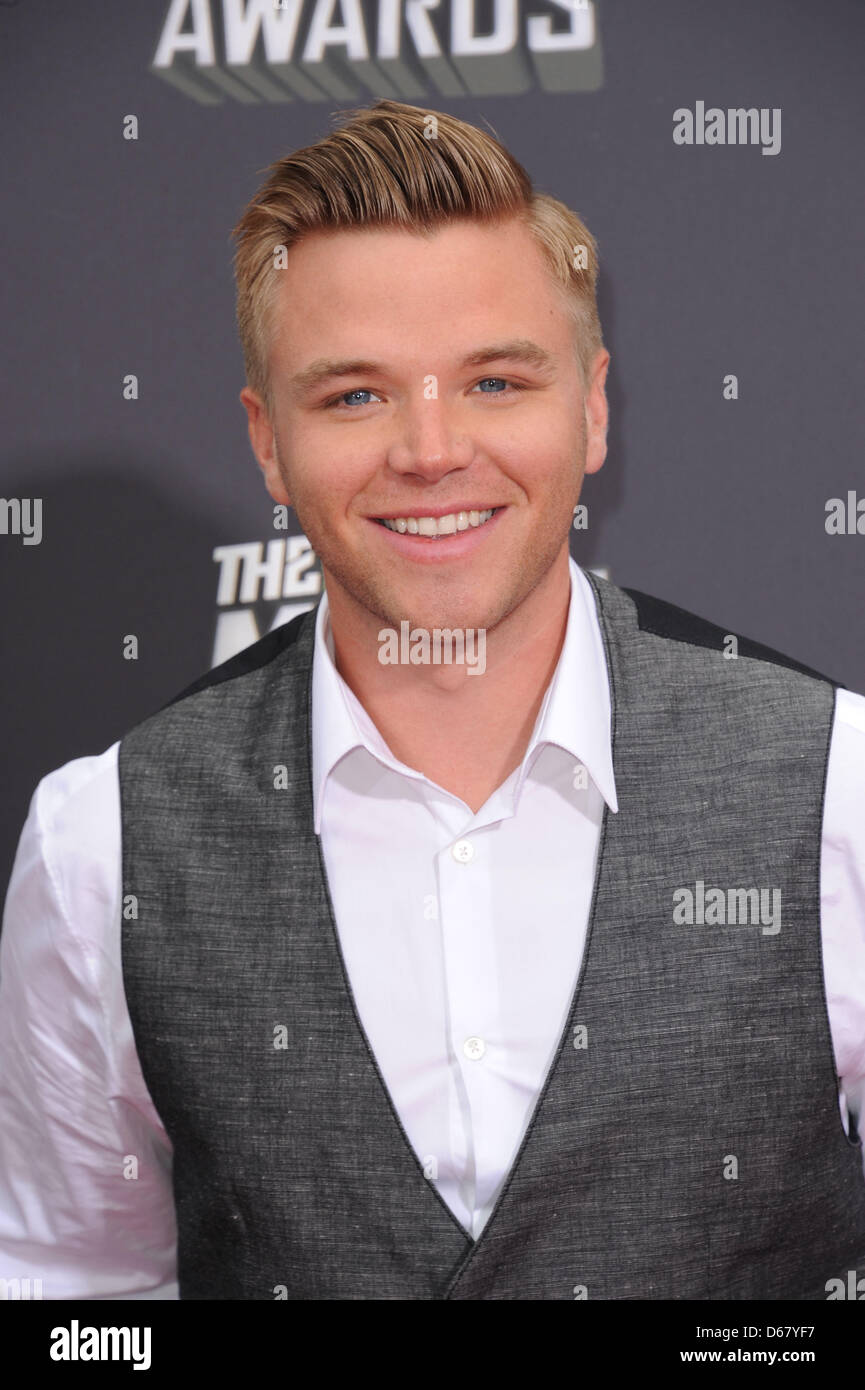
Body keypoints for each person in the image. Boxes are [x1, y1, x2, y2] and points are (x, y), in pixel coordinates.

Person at [1, 97, 864, 1302]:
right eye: (353, 395)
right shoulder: (103, 843)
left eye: (497, 380)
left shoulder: (836, 793)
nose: (430, 449)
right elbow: (71, 1294)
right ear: (266, 444)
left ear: (594, 406)